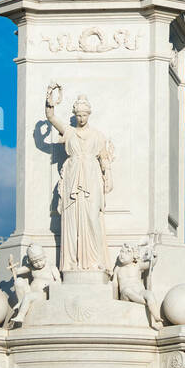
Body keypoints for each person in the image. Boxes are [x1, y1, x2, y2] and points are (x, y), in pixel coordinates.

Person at [44, 84, 115, 272]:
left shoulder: (98, 135)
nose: (81, 118)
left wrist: (108, 176)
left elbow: (104, 159)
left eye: (84, 115)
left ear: (88, 115)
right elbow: (50, 118)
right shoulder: (69, 132)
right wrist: (49, 101)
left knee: (92, 219)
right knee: (72, 222)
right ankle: (72, 263)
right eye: (78, 115)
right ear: (75, 115)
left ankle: (93, 261)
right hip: (73, 176)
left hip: (92, 177)